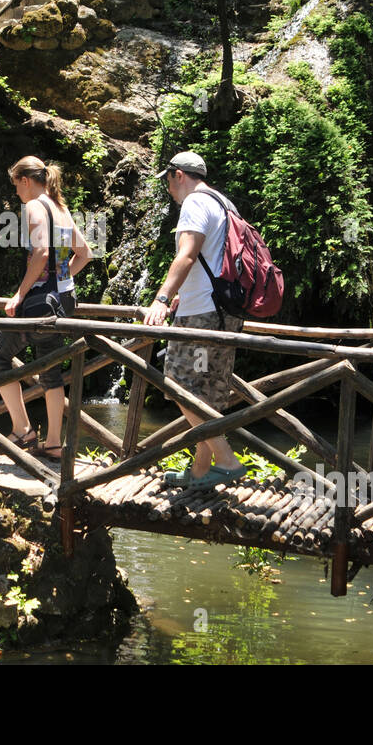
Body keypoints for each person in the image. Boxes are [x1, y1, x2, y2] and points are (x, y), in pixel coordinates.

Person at [142, 151, 248, 491]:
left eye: (169, 182)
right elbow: (213, 261)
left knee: (179, 384)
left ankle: (227, 461)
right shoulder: (224, 203)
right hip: (224, 315)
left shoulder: (194, 203)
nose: (169, 190)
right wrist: (181, 296)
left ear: (178, 175)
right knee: (208, 390)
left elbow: (187, 254)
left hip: (201, 317)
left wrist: (160, 299)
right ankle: (202, 471)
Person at [0, 156, 91, 460]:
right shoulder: (61, 208)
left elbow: (42, 252)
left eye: (15, 185)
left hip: (38, 305)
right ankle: (54, 443)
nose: (16, 192)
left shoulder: (33, 207)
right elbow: (84, 253)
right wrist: (60, 280)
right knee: (50, 372)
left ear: (25, 180)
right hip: (62, 301)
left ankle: (23, 430)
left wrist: (19, 295)